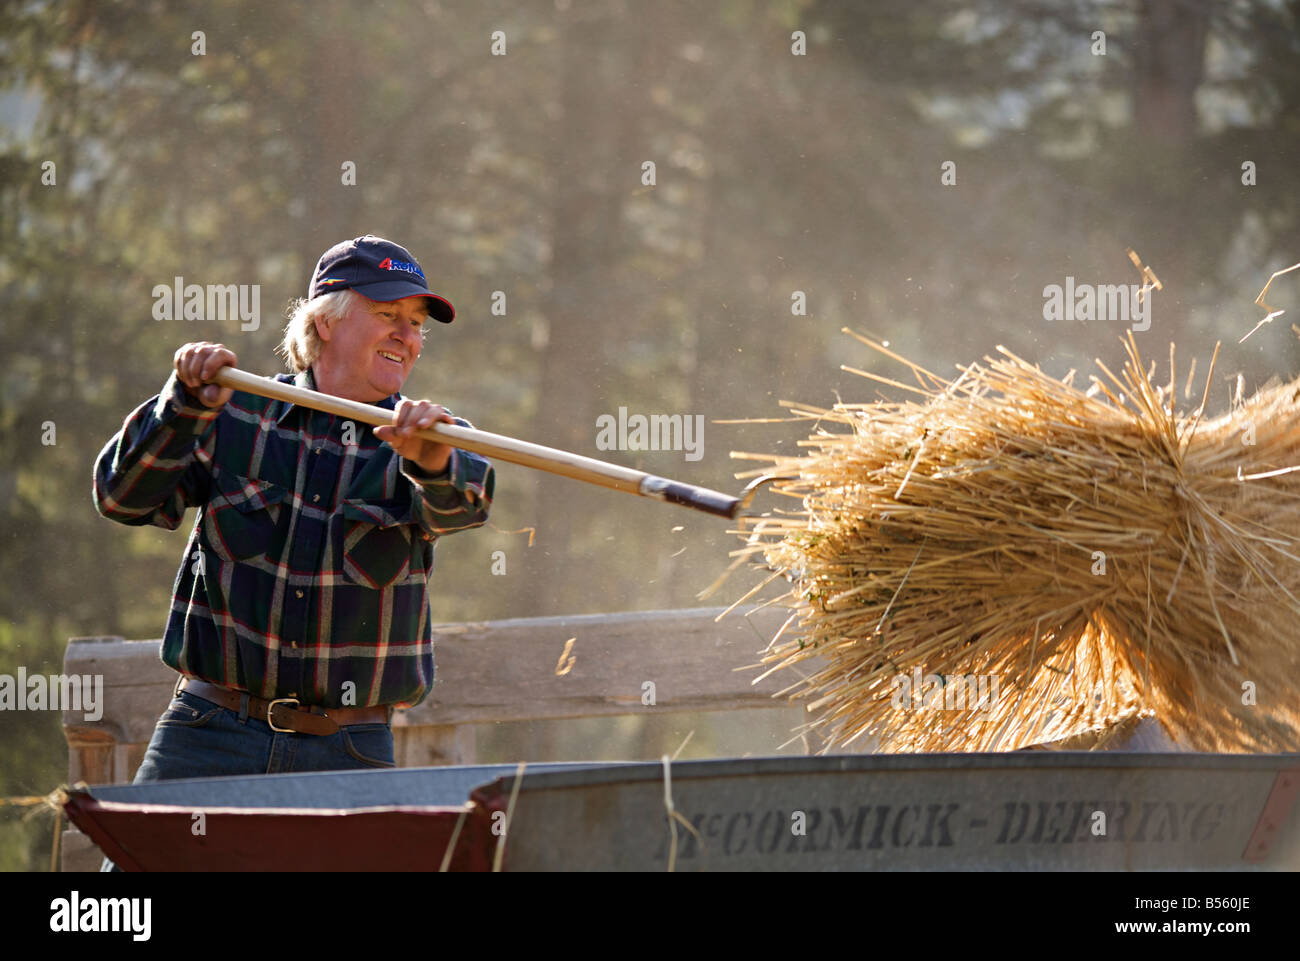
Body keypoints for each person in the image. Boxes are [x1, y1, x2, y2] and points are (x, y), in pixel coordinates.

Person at [93, 236, 493, 867]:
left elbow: (465, 502)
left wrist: (433, 461)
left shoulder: (433, 439)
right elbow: (123, 498)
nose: (408, 337)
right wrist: (180, 405)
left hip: (351, 755)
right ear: (324, 323)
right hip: (208, 735)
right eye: (389, 315)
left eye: (417, 325)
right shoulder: (230, 410)